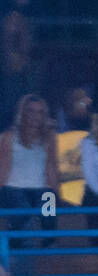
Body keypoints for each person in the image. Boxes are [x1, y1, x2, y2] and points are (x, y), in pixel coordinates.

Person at [0, 93, 57, 240]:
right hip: (13, 187)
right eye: (31, 110)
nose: (35, 116)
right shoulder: (10, 136)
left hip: (40, 188)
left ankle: (48, 243)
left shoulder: (49, 137)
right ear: (23, 112)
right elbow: (3, 166)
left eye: (40, 112)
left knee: (49, 208)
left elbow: (51, 165)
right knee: (22, 209)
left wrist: (56, 190)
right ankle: (16, 241)